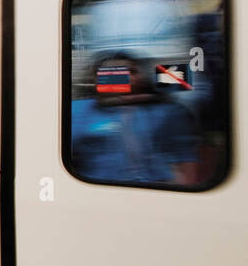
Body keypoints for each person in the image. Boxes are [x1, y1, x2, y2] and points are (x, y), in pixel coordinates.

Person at [70, 53, 200, 186]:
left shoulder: (166, 110)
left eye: (132, 71)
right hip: (99, 187)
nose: (126, 77)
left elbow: (184, 155)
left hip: (158, 186)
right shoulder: (79, 110)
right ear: (96, 79)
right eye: (113, 72)